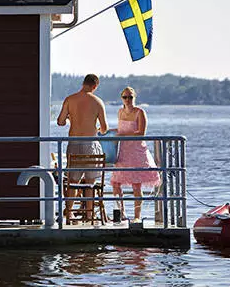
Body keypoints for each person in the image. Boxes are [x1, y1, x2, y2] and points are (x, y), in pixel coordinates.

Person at [56, 73, 108, 222]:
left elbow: (60, 122)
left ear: (83, 83)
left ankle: (70, 213)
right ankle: (90, 214)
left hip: (74, 144)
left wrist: (69, 119)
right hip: (91, 144)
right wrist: (96, 127)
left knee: (73, 180)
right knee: (90, 182)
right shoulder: (98, 102)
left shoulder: (69, 99)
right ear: (95, 86)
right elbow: (104, 129)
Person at [110, 87, 161, 223]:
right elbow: (120, 129)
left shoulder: (140, 112)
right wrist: (109, 131)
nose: (127, 100)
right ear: (121, 98)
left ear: (134, 97)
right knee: (115, 183)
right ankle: (121, 212)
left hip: (136, 151)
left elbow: (141, 133)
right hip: (123, 151)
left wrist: (122, 135)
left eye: (130, 97)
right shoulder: (120, 112)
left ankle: (137, 216)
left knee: (136, 185)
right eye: (125, 97)